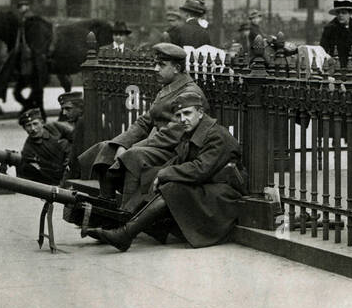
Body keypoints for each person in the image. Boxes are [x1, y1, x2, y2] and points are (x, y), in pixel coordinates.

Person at [87, 92, 245, 252]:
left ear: (201, 112)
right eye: (179, 115)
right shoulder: (193, 132)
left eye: (188, 113)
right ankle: (123, 220)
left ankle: (125, 234)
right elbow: (180, 161)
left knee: (172, 186)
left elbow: (200, 169)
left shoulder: (216, 135)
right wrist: (158, 174)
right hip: (207, 188)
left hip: (223, 196)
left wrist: (164, 174)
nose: (183, 119)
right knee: (150, 175)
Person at [77, 42, 206, 200]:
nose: (155, 69)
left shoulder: (189, 93)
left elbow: (172, 135)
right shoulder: (169, 86)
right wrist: (122, 143)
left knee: (133, 156)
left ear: (177, 68)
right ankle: (106, 201)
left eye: (161, 65)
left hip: (177, 151)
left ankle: (128, 212)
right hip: (158, 146)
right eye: (155, 64)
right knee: (108, 147)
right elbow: (144, 122)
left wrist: (131, 147)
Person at [16, 108, 78, 185]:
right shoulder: (28, 151)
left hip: (75, 164)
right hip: (60, 179)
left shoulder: (55, 128)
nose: (33, 129)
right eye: (28, 125)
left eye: (35, 124)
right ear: (24, 128)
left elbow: (76, 139)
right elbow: (43, 174)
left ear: (42, 123)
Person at [320, 0, 352, 68]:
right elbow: (322, 50)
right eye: (338, 12)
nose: (340, 15)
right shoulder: (329, 29)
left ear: (350, 13)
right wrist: (329, 59)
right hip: (335, 67)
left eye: (344, 13)